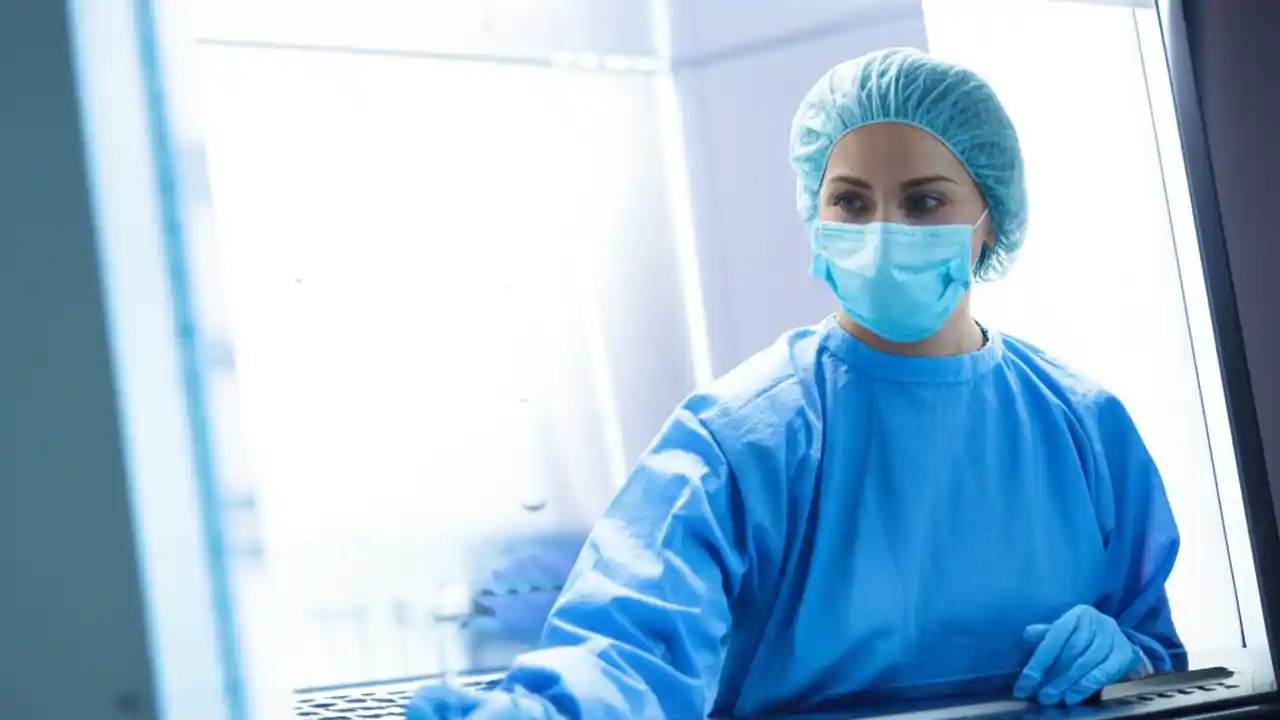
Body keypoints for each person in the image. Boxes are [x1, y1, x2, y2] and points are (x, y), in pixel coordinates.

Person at [407, 47, 1187, 720]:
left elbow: (1158, 648)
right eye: (851, 200)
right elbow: (631, 648)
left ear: (990, 213)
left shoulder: (1083, 424)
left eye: (924, 202)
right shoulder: (741, 437)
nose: (884, 231)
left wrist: (1131, 661)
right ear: (814, 213)